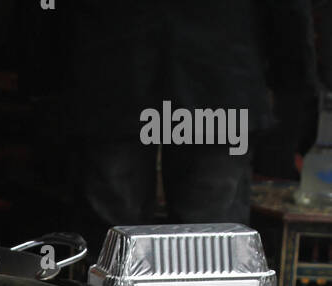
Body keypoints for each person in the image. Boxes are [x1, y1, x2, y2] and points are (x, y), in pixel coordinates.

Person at [19, 0, 320, 255]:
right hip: (219, 76)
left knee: (114, 241)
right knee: (210, 243)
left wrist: (44, 80)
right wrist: (294, 85)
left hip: (112, 69)